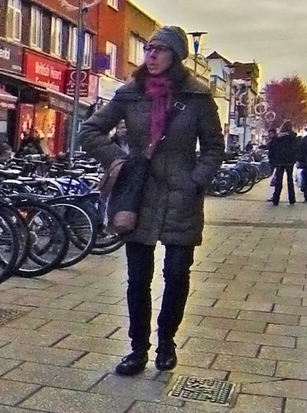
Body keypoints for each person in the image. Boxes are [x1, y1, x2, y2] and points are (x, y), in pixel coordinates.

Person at [79, 25, 224, 377]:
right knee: (137, 278)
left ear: (175, 55)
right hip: (139, 193)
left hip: (180, 194)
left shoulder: (197, 96)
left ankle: (167, 342)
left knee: (176, 274)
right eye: (149, 49)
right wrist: (119, 160)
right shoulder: (131, 94)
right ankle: (137, 348)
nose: (152, 55)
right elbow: (90, 131)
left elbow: (214, 147)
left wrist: (195, 181)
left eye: (160, 50)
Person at [266, 122, 299, 206]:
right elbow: (297, 149)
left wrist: (273, 161)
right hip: (290, 162)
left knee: (278, 180)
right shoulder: (293, 137)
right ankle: (292, 199)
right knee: (290, 179)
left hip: (280, 161)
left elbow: (272, 149)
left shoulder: (278, 138)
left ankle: (276, 199)